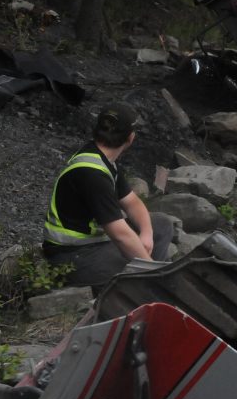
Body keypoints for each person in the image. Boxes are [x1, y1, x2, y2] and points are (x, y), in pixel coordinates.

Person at [43, 102, 174, 290]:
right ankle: (147, 287)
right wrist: (152, 271)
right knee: (136, 260)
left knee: (161, 223)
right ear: (131, 137)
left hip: (93, 244)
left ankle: (144, 280)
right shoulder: (92, 173)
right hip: (71, 258)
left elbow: (132, 202)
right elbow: (120, 235)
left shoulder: (102, 159)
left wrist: (146, 233)